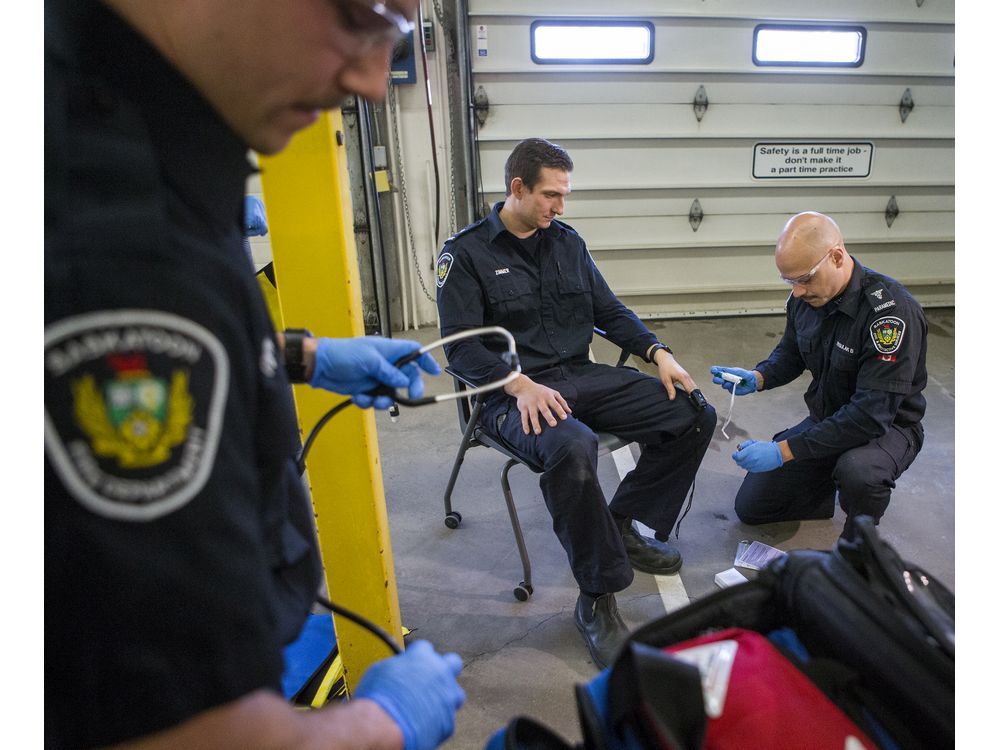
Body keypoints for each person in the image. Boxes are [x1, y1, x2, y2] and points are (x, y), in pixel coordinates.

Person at [44, 1, 465, 748]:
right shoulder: (107, 224)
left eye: (393, 36)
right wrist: (382, 723)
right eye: (357, 14)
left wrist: (300, 356)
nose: (373, 80)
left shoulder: (102, 104)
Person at [436, 138, 717, 669]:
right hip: (506, 396)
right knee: (572, 447)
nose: (559, 207)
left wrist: (658, 353)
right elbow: (461, 348)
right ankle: (597, 595)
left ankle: (624, 524)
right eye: (550, 195)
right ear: (516, 188)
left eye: (564, 195)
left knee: (691, 411)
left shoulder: (567, 242)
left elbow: (608, 310)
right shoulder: (467, 253)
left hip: (579, 376)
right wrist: (518, 384)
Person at [711, 211, 926, 539]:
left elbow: (870, 415)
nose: (797, 291)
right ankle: (825, 480)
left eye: (804, 279)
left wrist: (785, 450)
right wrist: (758, 377)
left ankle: (858, 545)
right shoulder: (806, 298)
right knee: (753, 507)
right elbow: (791, 353)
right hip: (830, 416)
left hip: (887, 427)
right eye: (789, 281)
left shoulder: (889, 315)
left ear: (837, 257)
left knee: (859, 472)